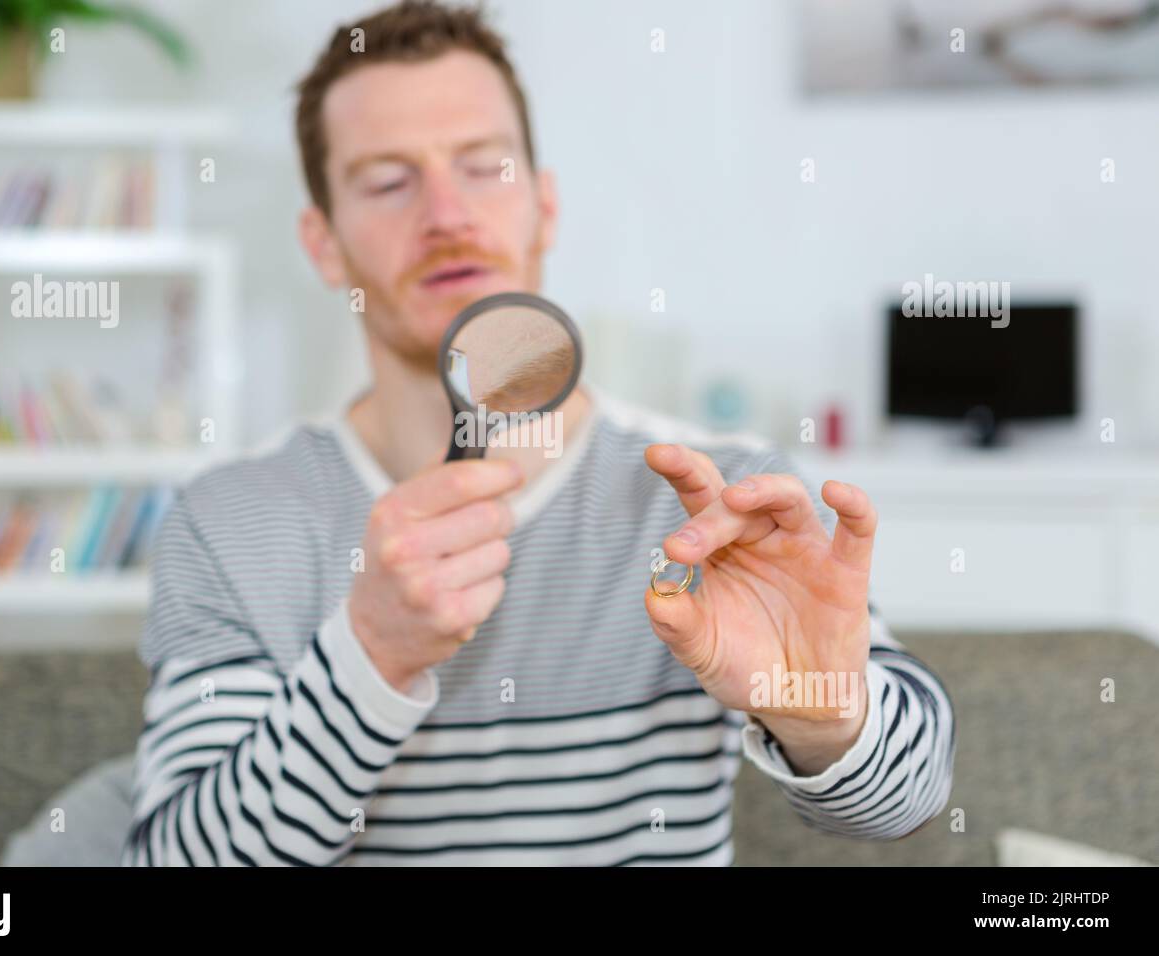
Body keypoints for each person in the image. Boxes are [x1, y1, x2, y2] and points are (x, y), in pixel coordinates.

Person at [122, 0, 955, 866]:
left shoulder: (721, 497)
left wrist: (819, 706)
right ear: (324, 244)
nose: (446, 212)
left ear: (545, 209)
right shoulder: (231, 522)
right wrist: (369, 657)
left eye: (484, 167)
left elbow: (910, 799)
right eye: (386, 181)